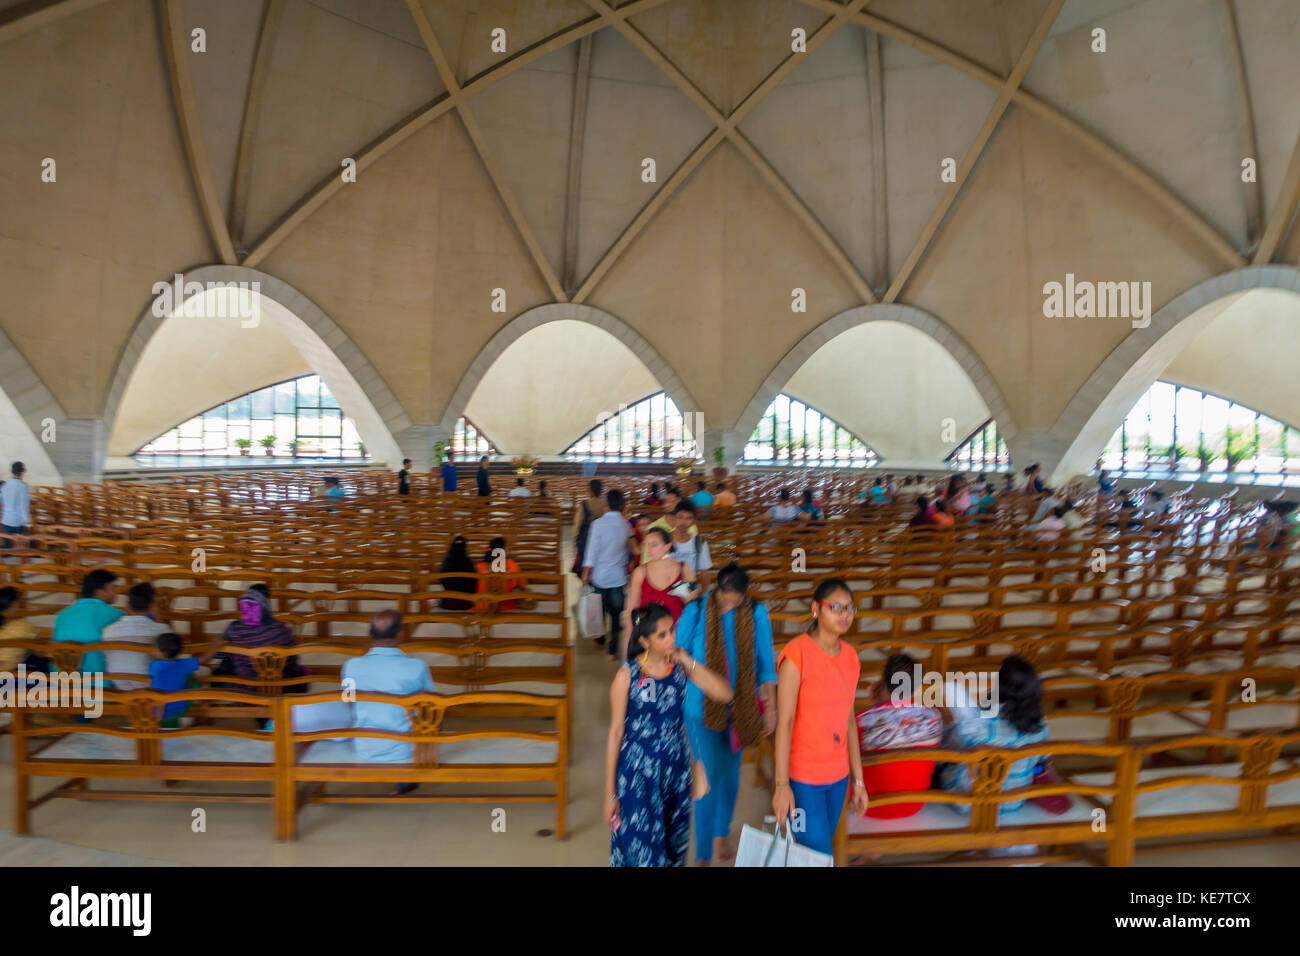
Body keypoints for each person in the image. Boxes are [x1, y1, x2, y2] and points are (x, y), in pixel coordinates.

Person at [605, 603, 732, 867]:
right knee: (643, 854)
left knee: (674, 851)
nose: (671, 638)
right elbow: (616, 732)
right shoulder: (626, 675)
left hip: (675, 772)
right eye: (662, 635)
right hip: (637, 775)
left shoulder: (680, 669)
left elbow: (724, 693)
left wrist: (688, 660)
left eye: (672, 630)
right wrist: (610, 794)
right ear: (644, 641)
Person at [676, 562, 777, 864]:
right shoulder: (696, 610)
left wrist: (769, 706)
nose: (730, 604)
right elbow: (678, 653)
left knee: (731, 774)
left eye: (736, 600)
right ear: (717, 589)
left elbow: (766, 664)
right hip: (699, 708)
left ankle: (722, 833)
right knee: (706, 777)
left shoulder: (756, 612)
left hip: (741, 709)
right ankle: (704, 854)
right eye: (726, 598)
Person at [772, 578, 868, 857]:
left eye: (850, 608)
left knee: (813, 854)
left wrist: (859, 781)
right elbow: (785, 723)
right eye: (835, 607)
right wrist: (781, 785)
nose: (844, 614)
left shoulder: (850, 657)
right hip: (803, 779)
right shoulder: (797, 654)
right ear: (816, 609)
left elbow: (849, 721)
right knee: (817, 854)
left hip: (838, 777)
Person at [937, 656, 1048, 817]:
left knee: (936, 767)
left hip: (970, 803)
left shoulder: (982, 725)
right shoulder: (1041, 726)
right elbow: (1042, 762)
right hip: (1013, 802)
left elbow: (954, 748)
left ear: (1000, 686)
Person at [342, 610, 436, 789]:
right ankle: (411, 773)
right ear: (400, 634)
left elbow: (348, 701)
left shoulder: (351, 665)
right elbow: (430, 705)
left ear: (370, 635)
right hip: (403, 748)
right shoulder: (416, 666)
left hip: (364, 746)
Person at [856, 653, 943, 819]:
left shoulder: (862, 720)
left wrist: (875, 705)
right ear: (917, 686)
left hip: (870, 806)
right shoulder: (934, 717)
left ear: (883, 679)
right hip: (914, 805)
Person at [622, 527, 697, 657]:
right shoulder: (640, 572)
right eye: (647, 545)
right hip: (650, 638)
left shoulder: (683, 568)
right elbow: (632, 609)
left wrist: (688, 597)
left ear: (667, 546)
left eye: (654, 545)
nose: (649, 550)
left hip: (679, 636)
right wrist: (630, 639)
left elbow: (693, 606)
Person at [582, 489, 635, 660]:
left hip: (599, 575)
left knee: (600, 609)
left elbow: (592, 550)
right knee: (615, 614)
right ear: (623, 505)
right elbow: (629, 550)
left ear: (606, 504)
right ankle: (612, 651)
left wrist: (586, 572)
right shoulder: (626, 526)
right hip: (618, 577)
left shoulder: (597, 524)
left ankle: (600, 637)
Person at [219, 585, 306, 686]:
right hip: (280, 685)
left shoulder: (233, 629)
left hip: (243, 688)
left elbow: (223, 656)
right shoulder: (281, 630)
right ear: (266, 607)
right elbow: (292, 660)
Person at [52, 569, 123, 676]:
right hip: (98, 682)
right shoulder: (116, 615)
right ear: (98, 592)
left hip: (60, 680)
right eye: (112, 589)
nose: (115, 592)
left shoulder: (62, 614)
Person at [102, 582, 169, 690]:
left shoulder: (108, 631)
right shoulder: (160, 630)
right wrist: (159, 618)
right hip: (148, 687)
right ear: (152, 606)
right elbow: (172, 654)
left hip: (119, 686)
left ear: (127, 605)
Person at [149, 632, 205, 729]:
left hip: (159, 711)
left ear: (162, 653)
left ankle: (171, 728)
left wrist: (157, 715)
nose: (153, 650)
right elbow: (203, 660)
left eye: (155, 648)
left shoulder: (155, 665)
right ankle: (201, 699)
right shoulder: (184, 664)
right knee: (191, 676)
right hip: (181, 708)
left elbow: (155, 684)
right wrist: (216, 646)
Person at [668, 501, 712, 591]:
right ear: (674, 519)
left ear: (693, 522)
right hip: (667, 588)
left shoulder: (699, 543)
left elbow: (704, 574)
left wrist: (702, 596)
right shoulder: (663, 540)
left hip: (690, 590)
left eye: (688, 518)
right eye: (680, 517)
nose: (683, 522)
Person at [475, 536, 523, 612]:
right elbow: (522, 585)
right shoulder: (512, 564)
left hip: (483, 606)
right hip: (507, 606)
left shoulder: (480, 566)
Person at [571, 479, 608, 575]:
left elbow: (577, 522)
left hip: (586, 537)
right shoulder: (606, 504)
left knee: (586, 562)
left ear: (589, 490)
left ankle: (587, 580)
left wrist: (575, 537)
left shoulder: (584, 504)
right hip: (602, 537)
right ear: (601, 490)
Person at [438, 535, 478, 611]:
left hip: (447, 604)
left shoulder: (445, 566)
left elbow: (442, 582)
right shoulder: (470, 565)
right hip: (467, 604)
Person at [2, 461, 29, 550]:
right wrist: (28, 524)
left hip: (6, 519)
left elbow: (2, 502)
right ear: (23, 471)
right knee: (20, 546)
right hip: (17, 520)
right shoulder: (23, 486)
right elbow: (23, 507)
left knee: (7, 546)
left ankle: (4, 560)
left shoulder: (5, 485)